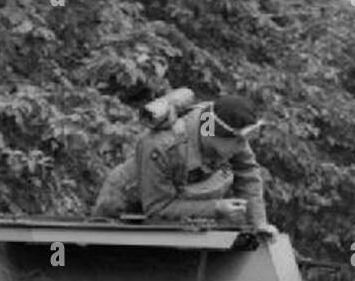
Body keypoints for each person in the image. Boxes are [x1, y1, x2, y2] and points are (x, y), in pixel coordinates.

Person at [93, 93, 274, 231]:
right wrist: (216, 207)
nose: (243, 147)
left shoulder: (228, 136)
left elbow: (248, 175)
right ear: (213, 134)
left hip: (176, 196)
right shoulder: (162, 146)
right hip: (128, 200)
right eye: (239, 141)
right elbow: (157, 209)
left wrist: (259, 223)